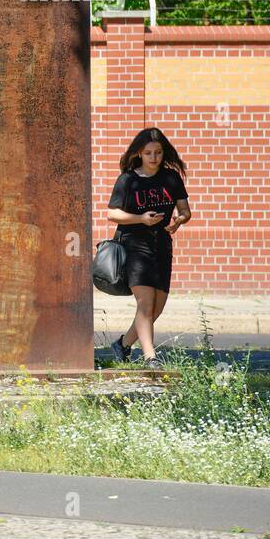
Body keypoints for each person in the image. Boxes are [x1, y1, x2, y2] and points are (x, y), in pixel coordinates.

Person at [106, 127, 192, 369]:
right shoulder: (128, 180)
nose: (154, 157)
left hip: (162, 244)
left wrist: (178, 221)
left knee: (157, 307)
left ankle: (122, 345)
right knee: (145, 304)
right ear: (139, 154)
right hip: (134, 244)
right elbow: (112, 213)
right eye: (148, 153)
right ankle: (150, 357)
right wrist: (140, 218)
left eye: (158, 152)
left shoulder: (171, 178)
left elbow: (185, 211)